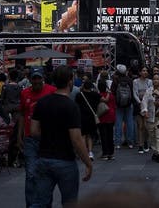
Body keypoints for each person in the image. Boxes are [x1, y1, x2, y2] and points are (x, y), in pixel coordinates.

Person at [30, 64, 92, 208]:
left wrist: (49, 134)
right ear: (70, 81)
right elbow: (76, 139)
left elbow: (33, 131)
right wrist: (88, 162)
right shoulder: (71, 106)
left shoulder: (42, 102)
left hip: (44, 159)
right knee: (69, 203)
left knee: (40, 202)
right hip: (65, 160)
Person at [18, 67, 56, 208]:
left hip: (47, 139)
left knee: (47, 173)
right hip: (30, 139)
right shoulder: (24, 93)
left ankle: (46, 204)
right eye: (34, 78)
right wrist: (19, 135)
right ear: (30, 79)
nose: (36, 81)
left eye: (38, 78)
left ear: (43, 78)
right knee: (31, 173)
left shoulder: (51, 91)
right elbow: (22, 115)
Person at [75, 75, 100, 160]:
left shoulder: (79, 95)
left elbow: (76, 105)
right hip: (91, 117)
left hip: (82, 117)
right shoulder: (95, 94)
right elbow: (102, 99)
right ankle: (90, 152)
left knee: (83, 135)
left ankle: (83, 151)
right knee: (89, 135)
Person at [112, 63, 135, 149]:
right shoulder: (129, 80)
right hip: (128, 104)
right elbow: (132, 92)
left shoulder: (115, 80)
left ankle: (118, 143)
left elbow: (113, 92)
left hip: (118, 105)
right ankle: (130, 142)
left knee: (118, 123)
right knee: (130, 122)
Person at [133, 66, 152, 153]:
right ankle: (140, 145)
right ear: (140, 72)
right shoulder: (135, 81)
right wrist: (140, 102)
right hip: (138, 105)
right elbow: (135, 93)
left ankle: (146, 142)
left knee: (146, 126)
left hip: (147, 105)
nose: (145, 72)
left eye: (146, 71)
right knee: (140, 126)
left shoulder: (149, 82)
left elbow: (150, 93)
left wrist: (145, 102)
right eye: (143, 71)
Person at [97, 78, 116, 160]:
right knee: (110, 135)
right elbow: (114, 106)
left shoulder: (98, 95)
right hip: (111, 116)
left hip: (102, 116)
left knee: (103, 135)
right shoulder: (111, 95)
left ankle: (105, 153)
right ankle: (111, 153)